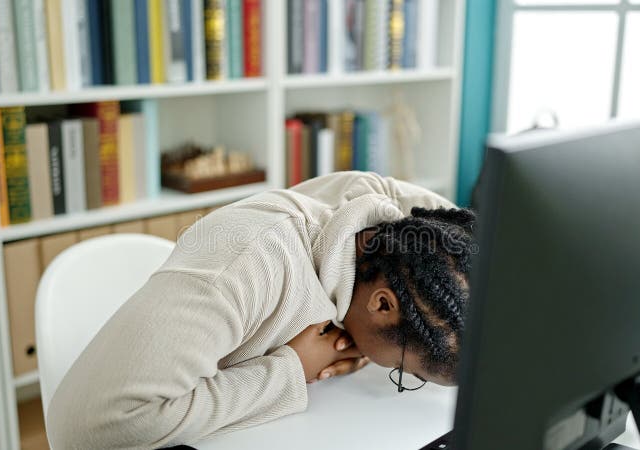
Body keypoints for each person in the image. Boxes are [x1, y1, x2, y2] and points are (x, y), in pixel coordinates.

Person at [47, 171, 476, 449]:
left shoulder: (377, 219)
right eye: (409, 374)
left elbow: (438, 219)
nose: (397, 373)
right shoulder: (250, 267)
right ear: (382, 305)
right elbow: (91, 429)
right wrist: (292, 370)